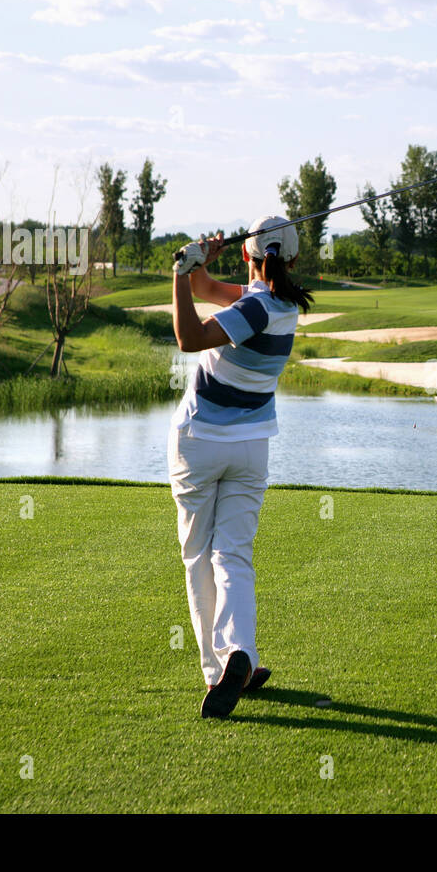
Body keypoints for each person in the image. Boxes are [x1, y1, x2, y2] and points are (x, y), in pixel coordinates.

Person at [168, 217, 313, 719]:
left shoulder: (252, 307)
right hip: (252, 448)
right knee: (232, 555)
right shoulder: (284, 304)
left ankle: (221, 669)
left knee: (197, 557)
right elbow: (208, 288)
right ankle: (240, 655)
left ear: (249, 255)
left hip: (200, 442)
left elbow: (188, 338)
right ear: (292, 260)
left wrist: (178, 275)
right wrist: (197, 268)